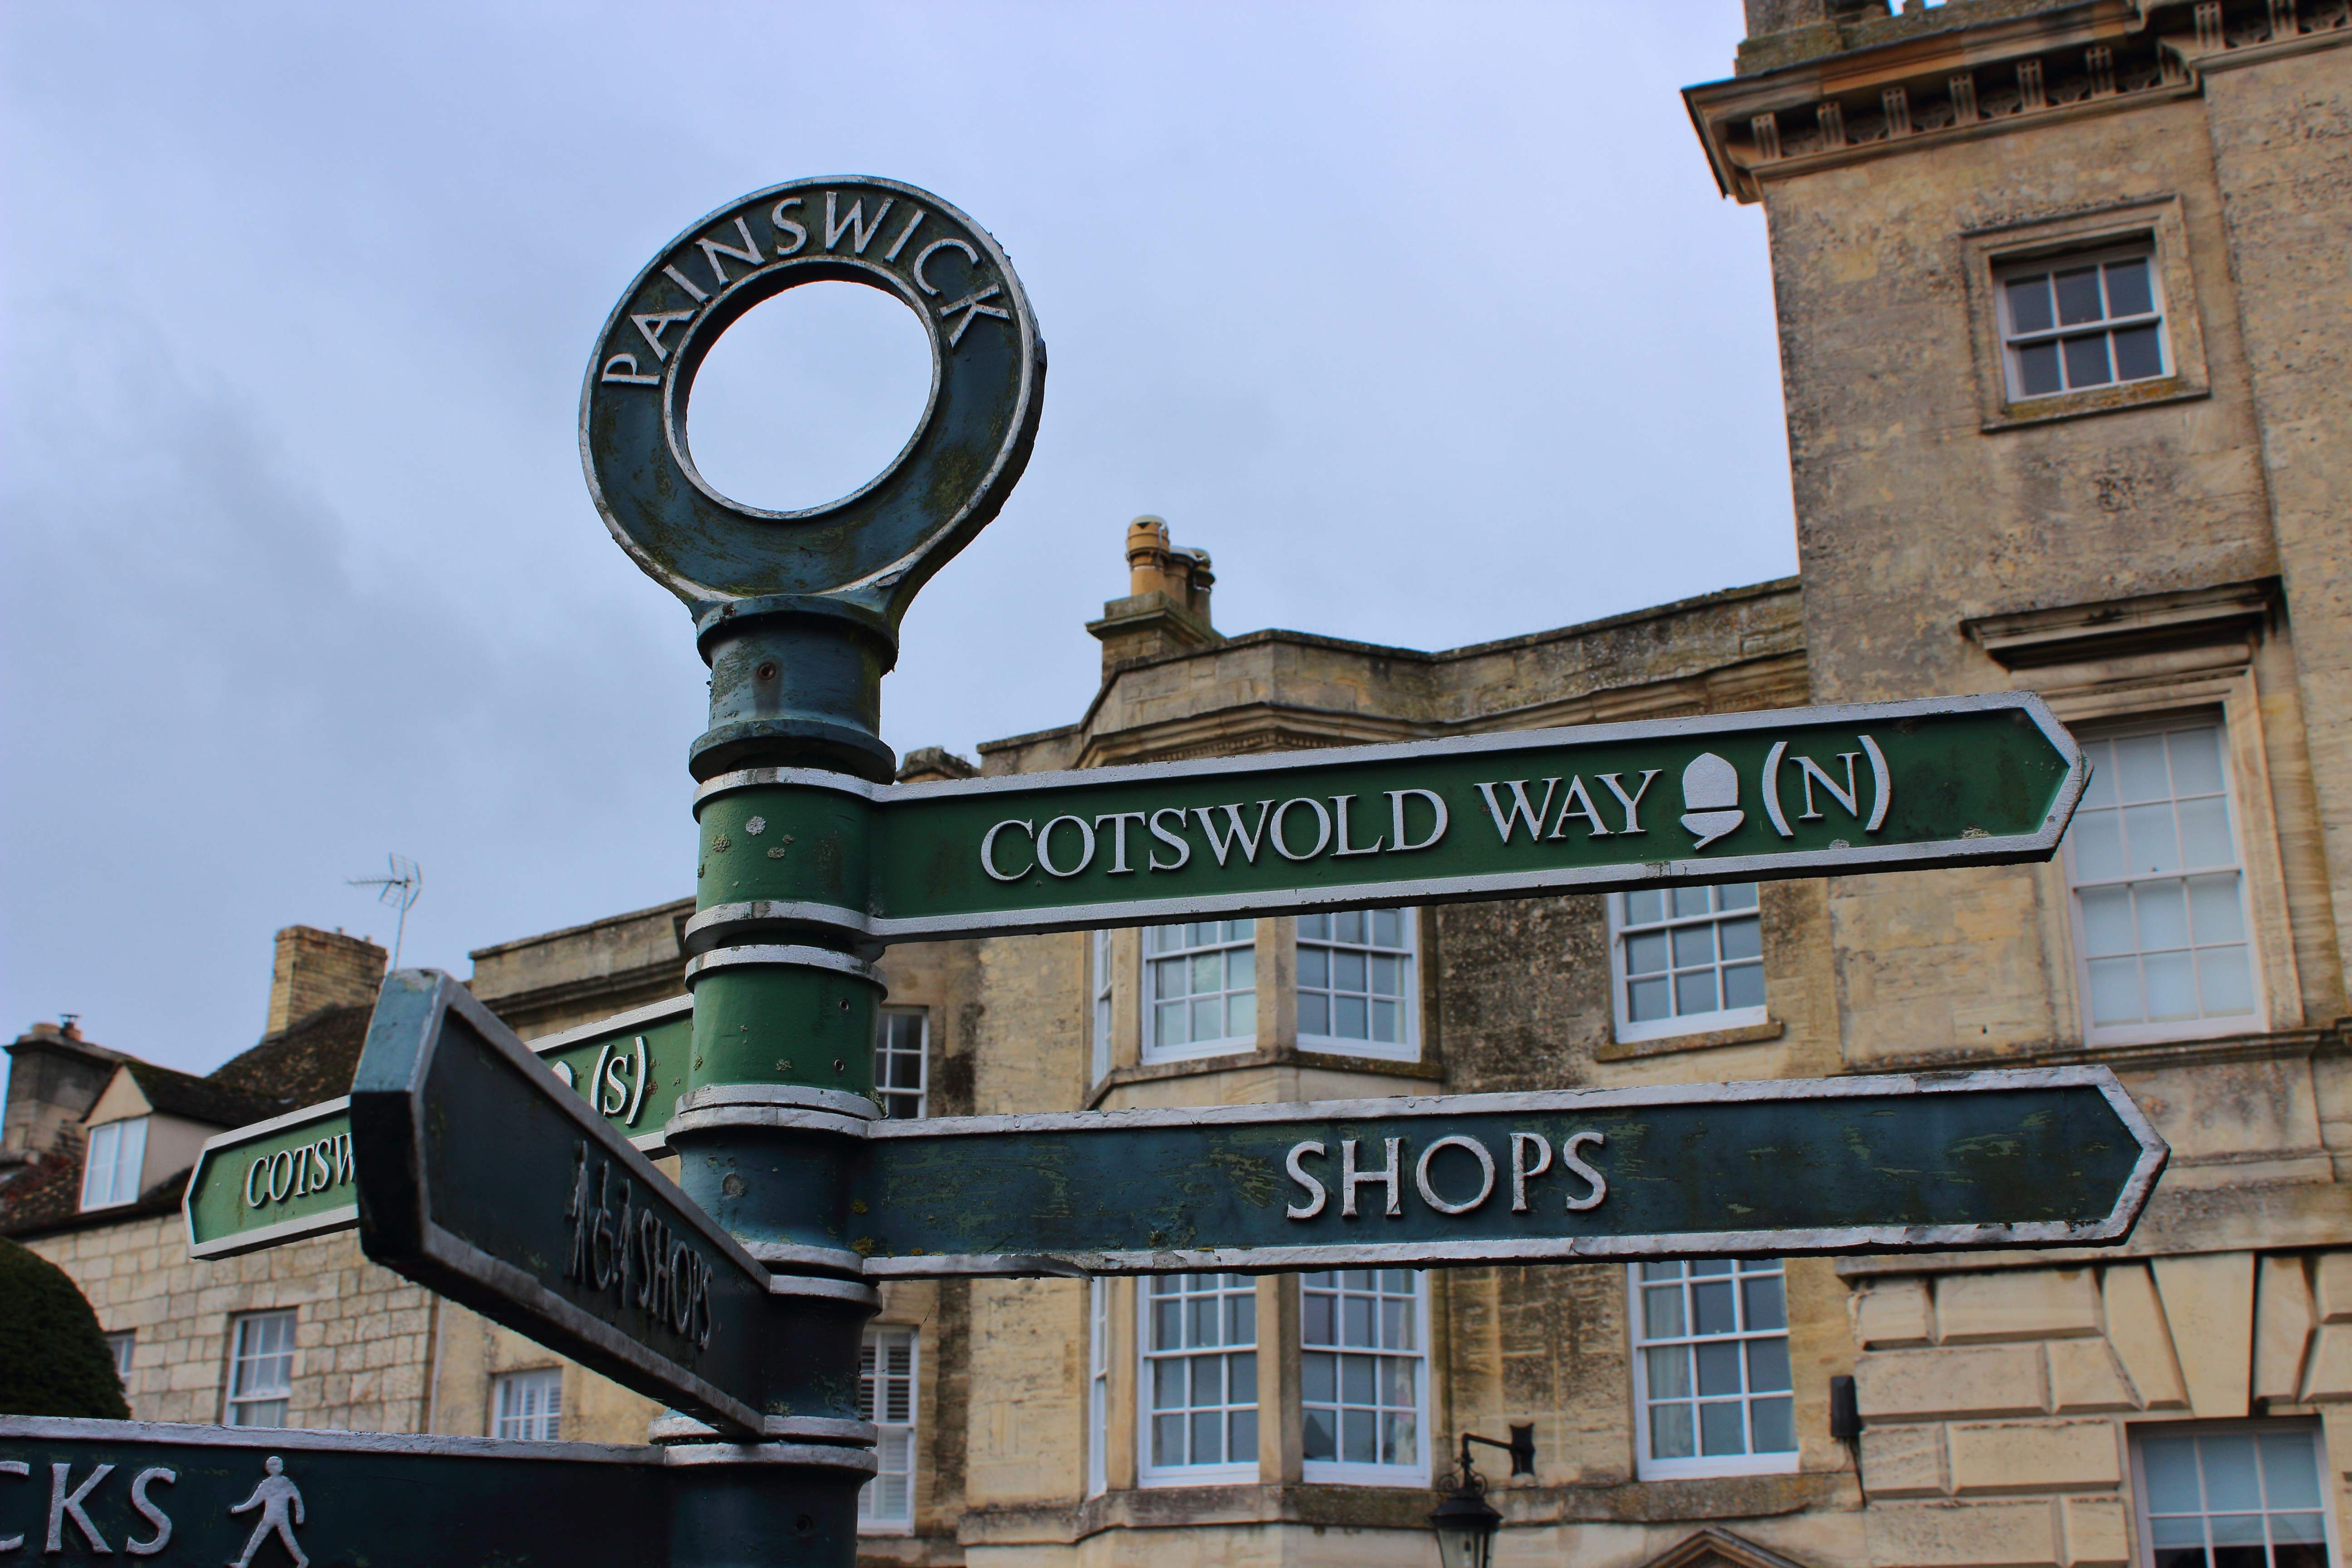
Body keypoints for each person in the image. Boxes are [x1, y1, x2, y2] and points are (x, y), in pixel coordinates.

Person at [227, 1455, 307, 1568]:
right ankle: (244, 1563)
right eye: (275, 1465)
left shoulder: (286, 1484)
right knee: (256, 1540)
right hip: (269, 1518)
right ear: (269, 1468)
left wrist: (300, 1517)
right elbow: (254, 1502)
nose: (279, 1467)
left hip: (280, 1519)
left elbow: (297, 1500)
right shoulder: (267, 1485)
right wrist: (238, 1509)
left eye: (279, 1465)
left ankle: (303, 1561)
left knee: (287, 1541)